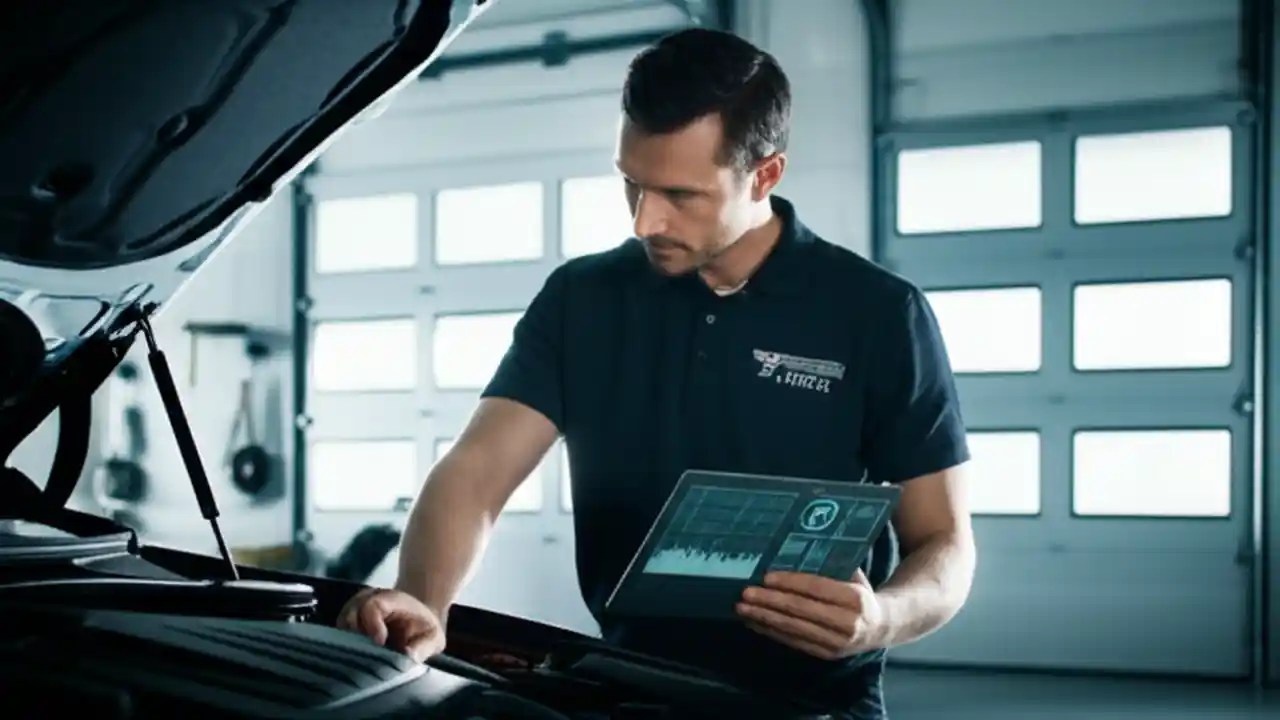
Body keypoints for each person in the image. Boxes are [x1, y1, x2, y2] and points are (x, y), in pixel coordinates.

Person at [338, 27, 977, 719]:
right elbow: (475, 474)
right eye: (631, 185)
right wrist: (421, 600)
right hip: (624, 689)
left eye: (680, 194)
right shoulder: (582, 298)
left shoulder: (877, 314)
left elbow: (943, 542)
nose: (646, 221)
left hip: (813, 705)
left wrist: (880, 618)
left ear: (764, 175)